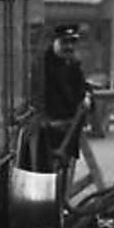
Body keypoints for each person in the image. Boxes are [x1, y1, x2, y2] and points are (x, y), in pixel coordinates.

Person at [40, 23, 92, 166]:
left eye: (72, 42)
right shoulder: (43, 65)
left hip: (69, 132)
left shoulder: (72, 63)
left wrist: (87, 96)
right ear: (54, 42)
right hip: (49, 132)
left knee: (64, 174)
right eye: (64, 42)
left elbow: (81, 85)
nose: (69, 46)